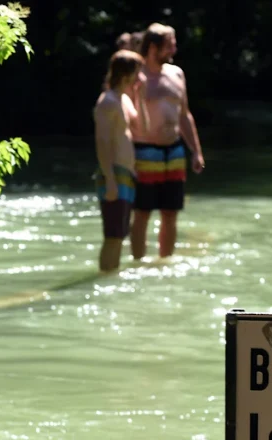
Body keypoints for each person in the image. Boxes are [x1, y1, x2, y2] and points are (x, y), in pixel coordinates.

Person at [129, 23, 204, 261]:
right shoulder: (135, 76)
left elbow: (185, 115)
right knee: (142, 213)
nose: (174, 49)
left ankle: (165, 261)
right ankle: (138, 262)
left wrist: (196, 151)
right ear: (153, 47)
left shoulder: (177, 73)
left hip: (174, 151)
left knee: (171, 212)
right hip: (144, 150)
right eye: (169, 45)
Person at [93, 49, 147, 273]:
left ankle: (111, 274)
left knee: (120, 234)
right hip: (113, 174)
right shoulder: (108, 102)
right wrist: (110, 179)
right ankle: (105, 277)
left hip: (125, 173)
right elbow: (102, 142)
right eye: (137, 73)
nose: (140, 78)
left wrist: (140, 95)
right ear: (127, 74)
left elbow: (141, 128)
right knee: (113, 235)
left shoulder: (123, 100)